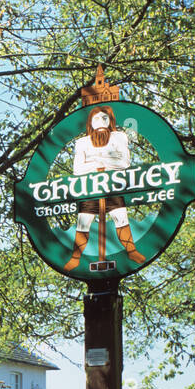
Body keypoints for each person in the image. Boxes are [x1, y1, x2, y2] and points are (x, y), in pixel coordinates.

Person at [66, 105, 145, 271]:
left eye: (104, 118)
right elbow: (78, 169)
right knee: (83, 222)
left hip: (113, 187)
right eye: (96, 118)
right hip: (90, 189)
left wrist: (97, 162)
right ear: (90, 122)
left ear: (110, 120)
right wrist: (101, 163)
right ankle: (75, 257)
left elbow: (124, 163)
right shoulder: (82, 142)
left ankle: (131, 251)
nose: (101, 121)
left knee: (121, 218)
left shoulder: (119, 137)